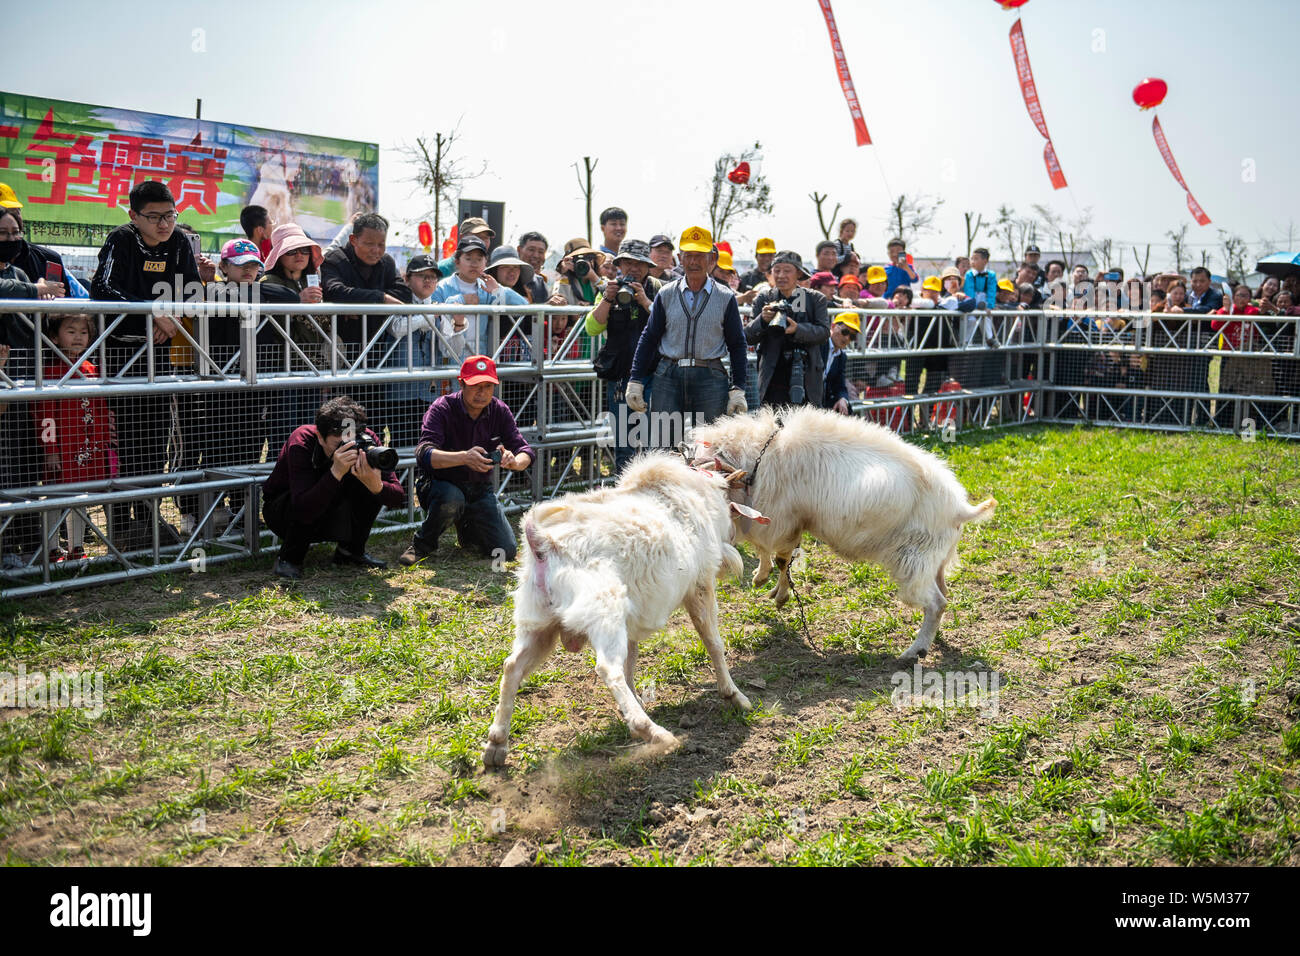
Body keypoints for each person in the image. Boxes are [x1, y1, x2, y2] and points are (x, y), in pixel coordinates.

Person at [91, 180, 204, 550]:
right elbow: (103, 290)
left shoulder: (180, 244)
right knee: (123, 439)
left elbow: (193, 291)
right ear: (133, 216)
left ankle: (149, 517)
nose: (164, 224)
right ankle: (122, 526)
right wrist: (152, 312)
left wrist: (168, 314)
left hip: (159, 354)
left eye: (170, 215)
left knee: (155, 440)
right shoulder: (120, 240)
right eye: (154, 217)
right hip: (121, 352)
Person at [399, 356, 533, 566]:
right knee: (452, 498)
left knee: (505, 551)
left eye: (488, 386)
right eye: (475, 386)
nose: (482, 393)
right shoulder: (442, 407)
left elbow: (525, 450)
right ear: (461, 383)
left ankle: (466, 527)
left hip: (480, 488)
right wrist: (463, 457)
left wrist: (515, 461)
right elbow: (424, 453)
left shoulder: (500, 410)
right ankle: (422, 544)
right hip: (440, 485)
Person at [263, 395, 405, 580]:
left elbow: (398, 497)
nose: (348, 450)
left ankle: (351, 551)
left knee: (367, 483)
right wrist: (335, 472)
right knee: (316, 490)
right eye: (339, 445)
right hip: (283, 511)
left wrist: (376, 486)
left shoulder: (368, 440)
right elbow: (302, 508)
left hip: (333, 510)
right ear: (320, 437)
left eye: (351, 442)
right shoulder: (303, 440)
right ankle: (289, 559)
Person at [627, 225, 748, 428]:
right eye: (688, 255)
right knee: (664, 444)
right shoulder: (666, 294)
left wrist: (738, 388)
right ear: (680, 258)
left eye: (700, 255)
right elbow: (649, 337)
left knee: (710, 447)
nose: (693, 261)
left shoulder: (726, 297)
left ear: (711, 259)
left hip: (710, 376)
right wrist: (636, 380)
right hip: (668, 375)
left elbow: (737, 344)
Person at [31, 314, 116, 560]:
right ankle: (51, 549)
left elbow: (101, 411)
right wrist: (51, 450)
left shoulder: (92, 369)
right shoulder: (50, 372)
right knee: (55, 498)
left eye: (83, 332)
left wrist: (105, 445)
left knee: (81, 497)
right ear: (55, 337)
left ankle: (76, 547)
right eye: (71, 331)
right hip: (62, 451)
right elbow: (45, 416)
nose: (78, 337)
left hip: (88, 448)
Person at [321, 212, 412, 430]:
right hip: (342, 358)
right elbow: (334, 291)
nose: (376, 250)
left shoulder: (387, 262)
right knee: (342, 423)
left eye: (381, 244)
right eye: (369, 244)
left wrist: (359, 304)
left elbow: (403, 294)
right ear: (353, 240)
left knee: (375, 422)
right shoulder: (335, 260)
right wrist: (379, 299)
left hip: (378, 356)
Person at [585, 239, 661, 474]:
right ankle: (624, 493)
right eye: (628, 262)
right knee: (624, 444)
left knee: (655, 441)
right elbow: (592, 328)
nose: (633, 269)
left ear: (649, 267)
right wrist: (608, 298)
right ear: (618, 264)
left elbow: (671, 326)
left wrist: (645, 302)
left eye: (639, 263)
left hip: (655, 375)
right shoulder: (610, 288)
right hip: (621, 377)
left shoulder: (660, 291)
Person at [746, 250, 830, 408]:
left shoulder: (815, 299)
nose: (781, 275)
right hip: (773, 376)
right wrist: (762, 320)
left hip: (806, 376)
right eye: (776, 270)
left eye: (787, 270)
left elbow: (824, 332)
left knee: (806, 429)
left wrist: (797, 329)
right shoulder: (764, 299)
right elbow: (748, 336)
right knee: (773, 429)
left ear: (798, 273)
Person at [384, 254, 441, 446]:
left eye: (432, 276)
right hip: (398, 389)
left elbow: (451, 350)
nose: (428, 280)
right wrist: (430, 315)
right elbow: (396, 328)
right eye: (421, 275)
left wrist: (459, 324)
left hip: (429, 391)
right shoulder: (397, 298)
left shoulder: (440, 304)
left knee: (426, 443)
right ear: (407, 278)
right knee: (399, 444)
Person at [549, 238, 606, 308]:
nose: (584, 262)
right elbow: (559, 302)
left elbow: (610, 296)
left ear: (594, 260)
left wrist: (594, 277)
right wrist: (564, 273)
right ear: (570, 262)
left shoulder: (599, 281)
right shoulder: (564, 282)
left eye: (589, 257)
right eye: (577, 259)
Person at [822, 313, 860, 415]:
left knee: (846, 408)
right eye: (845, 332)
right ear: (833, 326)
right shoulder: (819, 343)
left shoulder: (841, 357)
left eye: (852, 336)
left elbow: (840, 385)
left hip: (823, 401)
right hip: (807, 397)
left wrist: (843, 399)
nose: (847, 338)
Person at [516, 231, 551, 305]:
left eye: (541, 252)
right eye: (531, 250)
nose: (536, 255)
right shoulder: (509, 277)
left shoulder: (540, 282)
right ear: (519, 250)